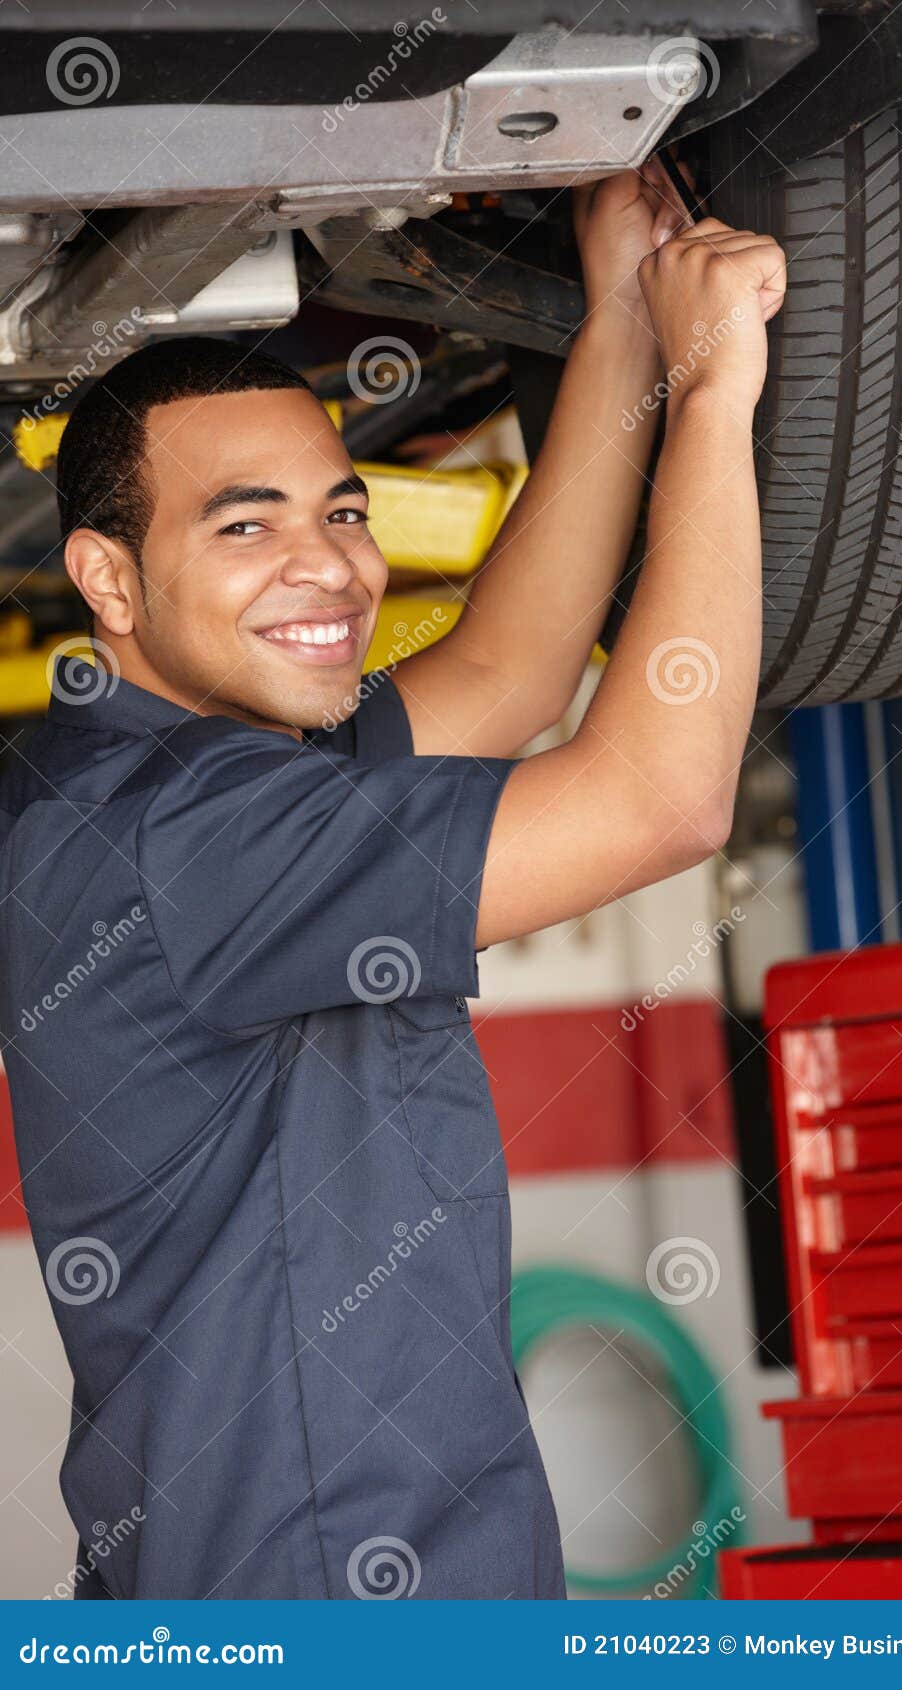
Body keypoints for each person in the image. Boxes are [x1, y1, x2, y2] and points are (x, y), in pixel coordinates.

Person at [0, 165, 785, 1599]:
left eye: (344, 512)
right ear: (107, 580)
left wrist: (621, 319)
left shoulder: (171, 773)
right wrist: (718, 393)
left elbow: (512, 670)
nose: (330, 569)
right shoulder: (199, 836)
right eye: (245, 526)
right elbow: (664, 802)